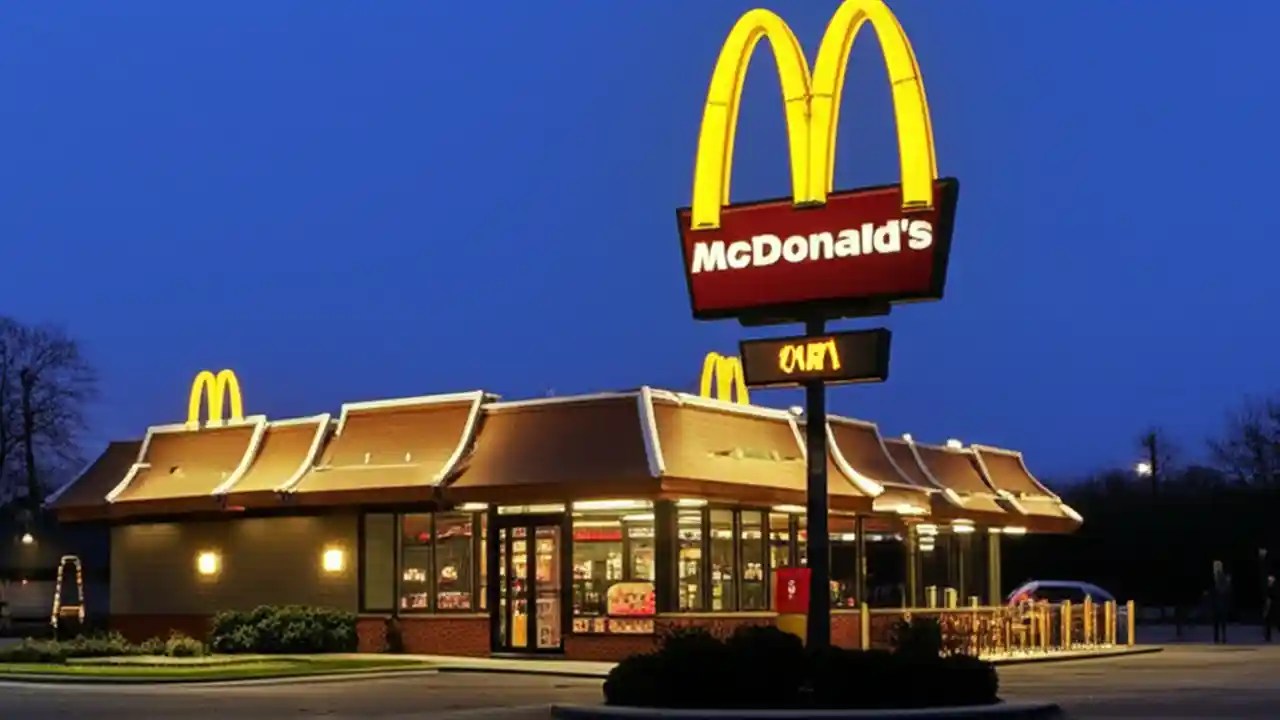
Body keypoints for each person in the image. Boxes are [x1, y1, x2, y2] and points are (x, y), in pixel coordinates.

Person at [1211, 561, 1232, 644]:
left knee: (1222, 622)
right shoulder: (1215, 576)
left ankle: (1222, 637)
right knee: (1217, 622)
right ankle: (1217, 638)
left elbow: (1225, 589)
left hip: (1220, 601)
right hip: (1216, 601)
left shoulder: (1222, 577)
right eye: (1215, 566)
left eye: (1217, 566)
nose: (1216, 568)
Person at [1265, 575, 1278, 643]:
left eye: (1269, 581)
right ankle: (1268, 637)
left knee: (1269, 622)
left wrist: (1266, 609)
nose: (1268, 582)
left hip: (1272, 607)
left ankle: (1268, 637)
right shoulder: (1273, 588)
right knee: (1268, 623)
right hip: (1274, 607)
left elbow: (1268, 600)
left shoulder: (1270, 589)